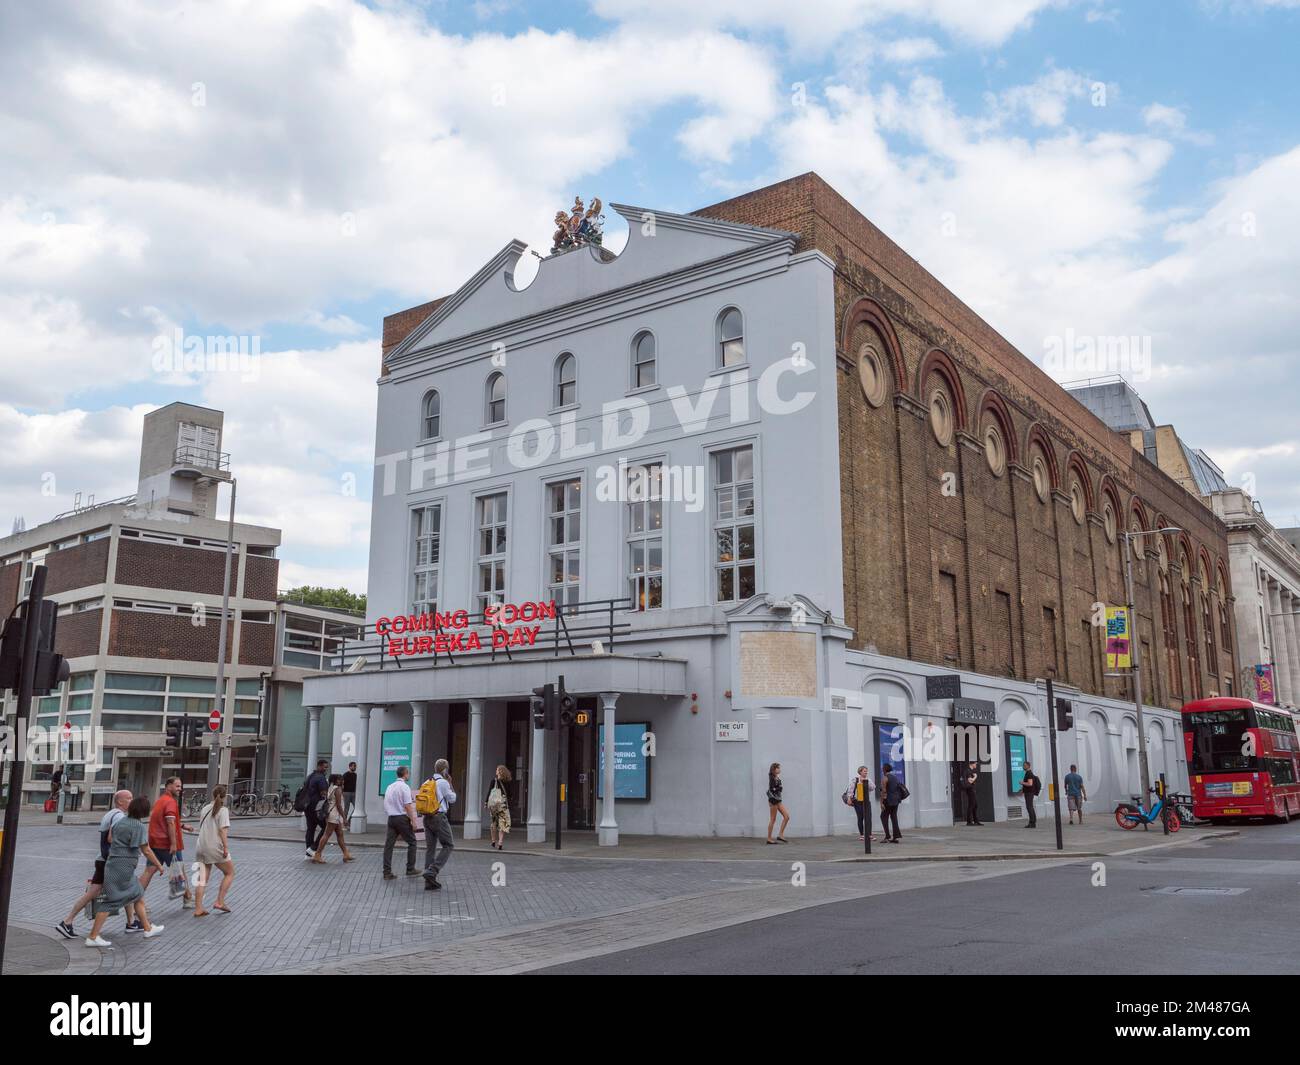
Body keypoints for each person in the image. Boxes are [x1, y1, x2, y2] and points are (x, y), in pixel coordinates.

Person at [85, 795, 165, 947]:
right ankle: (93, 936)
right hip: (123, 867)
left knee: (138, 895)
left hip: (114, 864)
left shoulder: (120, 821)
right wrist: (158, 865)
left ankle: (147, 928)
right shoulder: (138, 826)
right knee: (111, 901)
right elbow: (146, 850)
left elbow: (109, 838)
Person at [56, 789, 132, 940]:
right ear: (120, 801)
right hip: (110, 861)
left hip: (102, 860)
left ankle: (67, 921)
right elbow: (112, 839)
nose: (132, 800)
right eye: (129, 798)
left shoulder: (110, 814)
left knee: (95, 892)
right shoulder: (119, 817)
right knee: (128, 889)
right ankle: (131, 923)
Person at [140, 776, 193, 911]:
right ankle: (188, 899)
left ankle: (137, 902)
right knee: (180, 870)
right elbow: (169, 823)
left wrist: (181, 826)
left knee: (149, 871)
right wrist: (174, 844)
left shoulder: (160, 801)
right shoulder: (170, 802)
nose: (180, 789)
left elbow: (167, 821)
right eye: (177, 786)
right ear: (168, 786)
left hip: (155, 842)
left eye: (180, 786)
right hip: (167, 844)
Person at [192, 785, 236, 916]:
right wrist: (226, 847)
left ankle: (198, 908)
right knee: (230, 873)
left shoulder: (205, 808)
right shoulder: (223, 811)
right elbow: (222, 830)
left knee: (202, 878)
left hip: (201, 846)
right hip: (214, 846)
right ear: (224, 796)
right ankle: (220, 901)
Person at [421, 759, 457, 890]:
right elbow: (452, 799)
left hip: (427, 817)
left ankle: (429, 881)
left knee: (430, 849)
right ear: (445, 770)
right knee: (448, 845)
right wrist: (450, 783)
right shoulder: (443, 783)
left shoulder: (427, 782)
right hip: (439, 817)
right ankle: (432, 871)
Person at [382, 765, 420, 880]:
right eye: (408, 773)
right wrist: (414, 820)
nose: (409, 775)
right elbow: (408, 805)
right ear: (405, 774)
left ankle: (387, 872)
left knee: (389, 845)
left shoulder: (389, 786)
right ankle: (410, 868)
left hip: (391, 818)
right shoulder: (404, 787)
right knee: (412, 842)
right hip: (401, 818)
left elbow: (386, 803)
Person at [312, 774, 355, 864]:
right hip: (335, 814)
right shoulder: (337, 789)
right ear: (335, 780)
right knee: (327, 834)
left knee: (340, 834)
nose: (342, 781)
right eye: (339, 779)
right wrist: (344, 818)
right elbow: (339, 805)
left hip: (331, 814)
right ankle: (317, 854)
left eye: (342, 779)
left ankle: (346, 854)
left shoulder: (331, 787)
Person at [303, 759, 330, 858]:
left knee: (310, 829)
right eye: (325, 767)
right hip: (316, 807)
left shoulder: (310, 776)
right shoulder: (321, 778)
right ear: (319, 766)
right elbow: (324, 793)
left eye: (327, 767)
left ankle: (308, 853)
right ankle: (313, 848)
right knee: (326, 827)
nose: (326, 769)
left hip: (307, 806)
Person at [485, 765, 513, 850]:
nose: (496, 771)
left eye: (497, 770)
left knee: (494, 823)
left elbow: (489, 792)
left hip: (494, 805)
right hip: (503, 805)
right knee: (503, 824)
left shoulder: (494, 781)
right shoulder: (508, 781)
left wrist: (486, 802)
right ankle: (500, 842)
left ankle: (493, 841)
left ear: (500, 771)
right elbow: (510, 794)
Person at [765, 763, 789, 844]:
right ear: (774, 769)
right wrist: (778, 788)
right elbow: (773, 789)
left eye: (779, 768)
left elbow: (779, 789)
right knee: (773, 819)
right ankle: (769, 838)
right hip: (773, 801)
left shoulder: (777, 778)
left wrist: (778, 788)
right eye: (778, 768)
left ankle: (780, 835)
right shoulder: (772, 778)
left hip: (778, 800)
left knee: (786, 817)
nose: (779, 769)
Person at [881, 763, 905, 843]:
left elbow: (884, 791)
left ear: (884, 770)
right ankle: (895, 837)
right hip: (896, 800)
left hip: (888, 800)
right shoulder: (895, 777)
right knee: (894, 817)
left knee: (883, 817)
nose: (882, 769)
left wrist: (881, 803)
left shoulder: (885, 778)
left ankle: (887, 836)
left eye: (882, 768)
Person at [848, 766, 873, 841]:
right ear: (860, 772)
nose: (866, 772)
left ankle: (869, 834)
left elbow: (872, 788)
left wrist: (866, 782)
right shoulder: (855, 780)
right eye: (864, 771)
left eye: (866, 771)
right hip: (857, 801)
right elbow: (851, 790)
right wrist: (849, 798)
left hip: (866, 801)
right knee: (860, 817)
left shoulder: (868, 780)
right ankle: (862, 834)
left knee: (868, 818)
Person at [961, 760, 983, 826]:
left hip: (972, 789)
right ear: (972, 764)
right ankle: (969, 821)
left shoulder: (970, 771)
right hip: (970, 790)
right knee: (972, 805)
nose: (976, 765)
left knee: (975, 805)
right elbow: (970, 781)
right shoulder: (968, 771)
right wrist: (975, 776)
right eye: (975, 764)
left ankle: (975, 820)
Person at [1021, 762, 1042, 828]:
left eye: (1024, 765)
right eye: (1023, 765)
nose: (1023, 767)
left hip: (1029, 793)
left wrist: (1022, 783)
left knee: (1029, 807)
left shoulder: (1029, 773)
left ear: (1028, 766)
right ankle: (1032, 822)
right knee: (1030, 807)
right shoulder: (1028, 773)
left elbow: (1030, 784)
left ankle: (1032, 822)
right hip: (1029, 792)